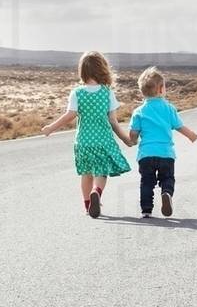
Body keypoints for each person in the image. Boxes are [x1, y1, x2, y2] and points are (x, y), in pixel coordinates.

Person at [42, 51, 133, 218]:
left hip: (83, 141)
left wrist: (51, 127)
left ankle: (87, 205)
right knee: (101, 173)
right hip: (103, 141)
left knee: (86, 173)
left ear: (82, 71)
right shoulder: (107, 93)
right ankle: (97, 192)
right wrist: (125, 139)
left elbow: (69, 115)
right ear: (103, 69)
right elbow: (113, 121)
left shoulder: (77, 93)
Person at [128, 66, 197, 218]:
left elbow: (133, 133)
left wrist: (132, 140)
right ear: (161, 89)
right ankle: (166, 193)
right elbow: (179, 126)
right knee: (167, 178)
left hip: (146, 154)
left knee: (147, 182)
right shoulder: (169, 108)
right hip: (166, 154)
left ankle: (146, 210)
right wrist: (191, 135)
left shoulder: (139, 112)